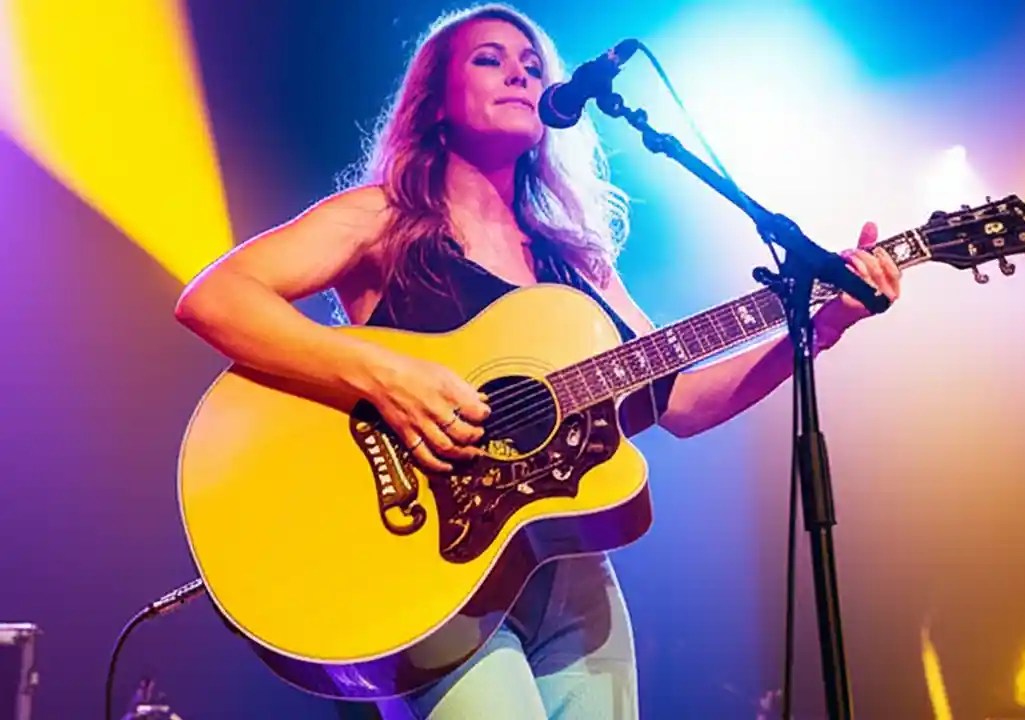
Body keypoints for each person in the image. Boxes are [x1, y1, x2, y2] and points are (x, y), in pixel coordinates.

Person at [173, 4, 901, 718]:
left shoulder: (577, 261)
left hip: (568, 572)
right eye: (490, 59)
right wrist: (386, 376)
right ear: (435, 102)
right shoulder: (383, 217)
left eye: (532, 65)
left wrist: (819, 327)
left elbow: (679, 403)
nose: (520, 75)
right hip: (420, 572)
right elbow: (216, 299)